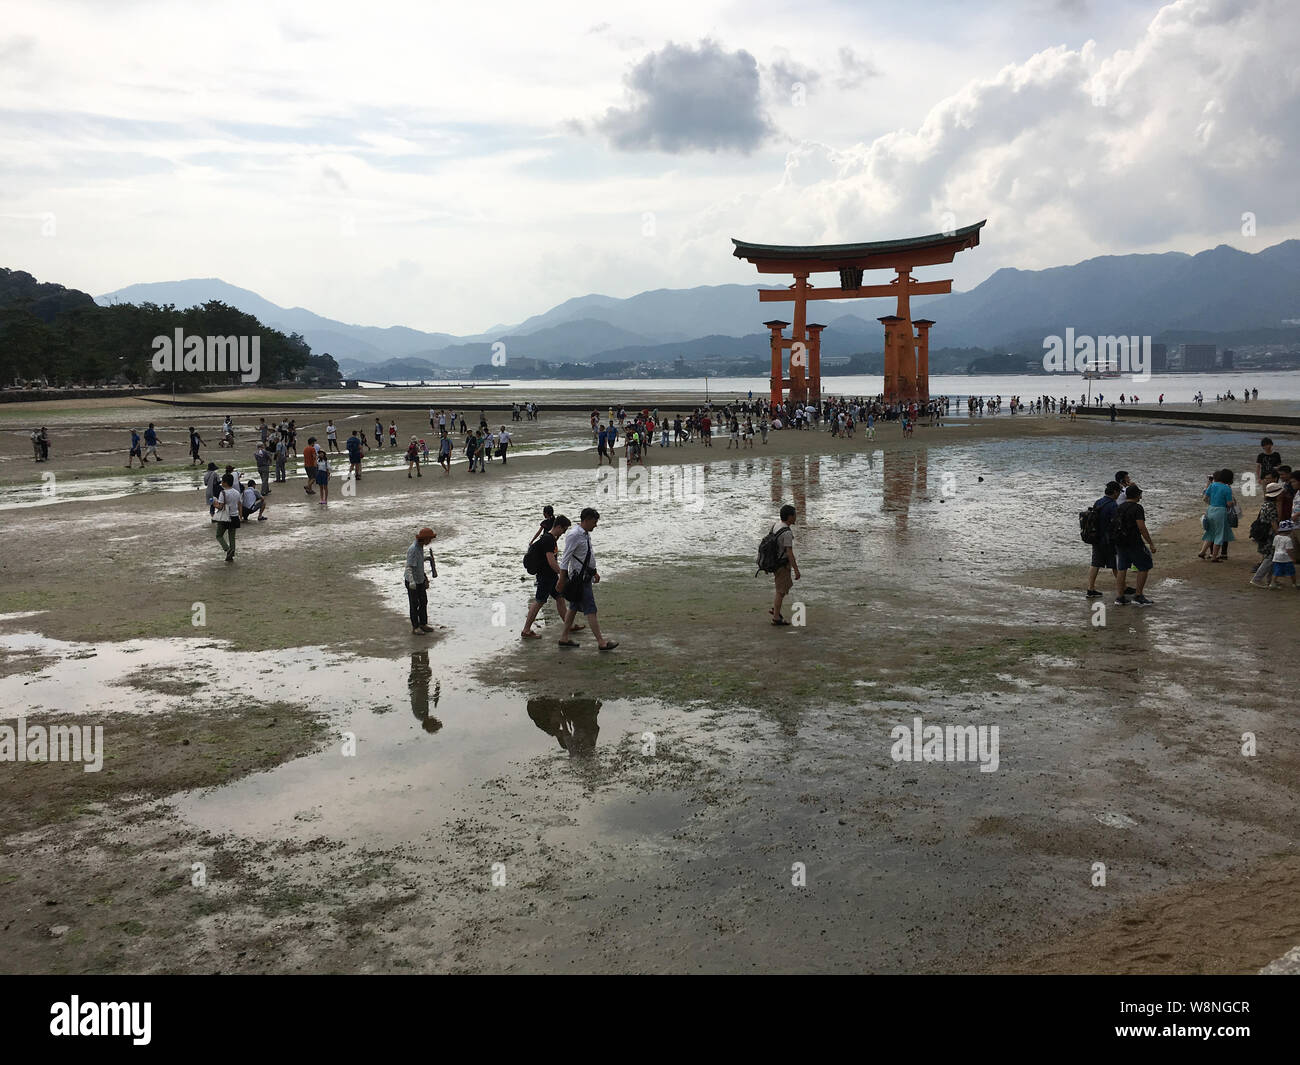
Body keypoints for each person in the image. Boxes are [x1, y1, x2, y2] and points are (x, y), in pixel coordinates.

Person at [556, 508, 617, 650]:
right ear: (587, 520)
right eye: (594, 522)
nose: (596, 525)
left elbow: (585, 555)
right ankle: (601, 642)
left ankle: (564, 637)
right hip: (580, 580)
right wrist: (561, 579)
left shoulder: (585, 534)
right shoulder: (574, 534)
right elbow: (565, 559)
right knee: (591, 610)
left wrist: (594, 571)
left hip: (586, 576)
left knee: (572, 608)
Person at [521, 514, 573, 638]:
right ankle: (526, 630)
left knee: (559, 598)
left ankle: (568, 625)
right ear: (559, 527)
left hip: (550, 576)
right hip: (545, 576)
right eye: (564, 530)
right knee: (539, 601)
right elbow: (551, 561)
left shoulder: (549, 538)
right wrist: (562, 574)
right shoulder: (548, 540)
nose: (564, 533)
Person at [1113, 485, 1155, 606]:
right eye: (1140, 494)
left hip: (1120, 541)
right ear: (1137, 495)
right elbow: (1141, 527)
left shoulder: (1119, 507)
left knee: (1122, 568)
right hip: (1134, 541)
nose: (1141, 496)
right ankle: (1138, 595)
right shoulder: (1137, 508)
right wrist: (1150, 543)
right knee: (1144, 566)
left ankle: (1120, 597)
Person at [1086, 481, 1124, 598]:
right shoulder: (1113, 505)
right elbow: (1116, 523)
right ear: (1115, 492)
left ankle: (1090, 588)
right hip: (1108, 540)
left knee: (1095, 564)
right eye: (1119, 492)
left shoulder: (1098, 502)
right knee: (1115, 566)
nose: (1119, 495)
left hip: (1096, 538)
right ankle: (1122, 589)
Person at [768, 504, 801, 625]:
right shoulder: (786, 533)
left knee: (782, 588)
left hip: (775, 562)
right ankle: (776, 618)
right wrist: (796, 570)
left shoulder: (776, 525)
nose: (796, 517)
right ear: (790, 517)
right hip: (782, 564)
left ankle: (776, 609)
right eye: (795, 515)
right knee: (781, 591)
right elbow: (790, 553)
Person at [1250, 481, 1284, 586]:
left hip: (1264, 533)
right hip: (1270, 534)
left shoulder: (1266, 504)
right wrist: (1279, 534)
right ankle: (1257, 579)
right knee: (1270, 557)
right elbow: (1274, 522)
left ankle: (1270, 580)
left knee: (1269, 556)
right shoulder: (1272, 506)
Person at [403, 528, 437, 634]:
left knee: (423, 601)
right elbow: (409, 567)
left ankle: (423, 623)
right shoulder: (413, 549)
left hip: (420, 579)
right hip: (412, 580)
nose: (430, 541)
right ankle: (415, 627)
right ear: (425, 539)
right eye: (429, 539)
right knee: (414, 604)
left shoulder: (420, 547)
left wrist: (427, 559)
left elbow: (418, 562)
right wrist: (412, 582)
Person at [1198, 469, 1236, 561]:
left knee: (1210, 532)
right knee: (1219, 534)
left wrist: (1212, 504)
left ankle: (1202, 552)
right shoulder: (1227, 488)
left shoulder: (1212, 485)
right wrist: (1233, 503)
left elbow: (1205, 498)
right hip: (1221, 511)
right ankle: (1214, 557)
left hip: (1210, 509)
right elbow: (1229, 503)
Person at [210, 473, 241, 562]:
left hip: (225, 517)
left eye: (222, 481)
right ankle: (231, 555)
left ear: (226, 483)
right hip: (235, 516)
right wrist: (240, 516)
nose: (221, 483)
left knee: (219, 535)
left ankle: (227, 549)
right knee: (232, 537)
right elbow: (239, 504)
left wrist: (214, 504)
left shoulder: (223, 493)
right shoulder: (237, 492)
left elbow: (221, 507)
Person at [1266, 520, 1297, 589]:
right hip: (1286, 558)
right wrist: (1293, 558)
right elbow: (1289, 550)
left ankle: (1272, 583)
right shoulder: (1288, 539)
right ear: (1289, 530)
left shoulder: (1276, 537)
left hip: (1276, 557)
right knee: (1292, 572)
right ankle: (1294, 583)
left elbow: (1274, 546)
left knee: (1276, 571)